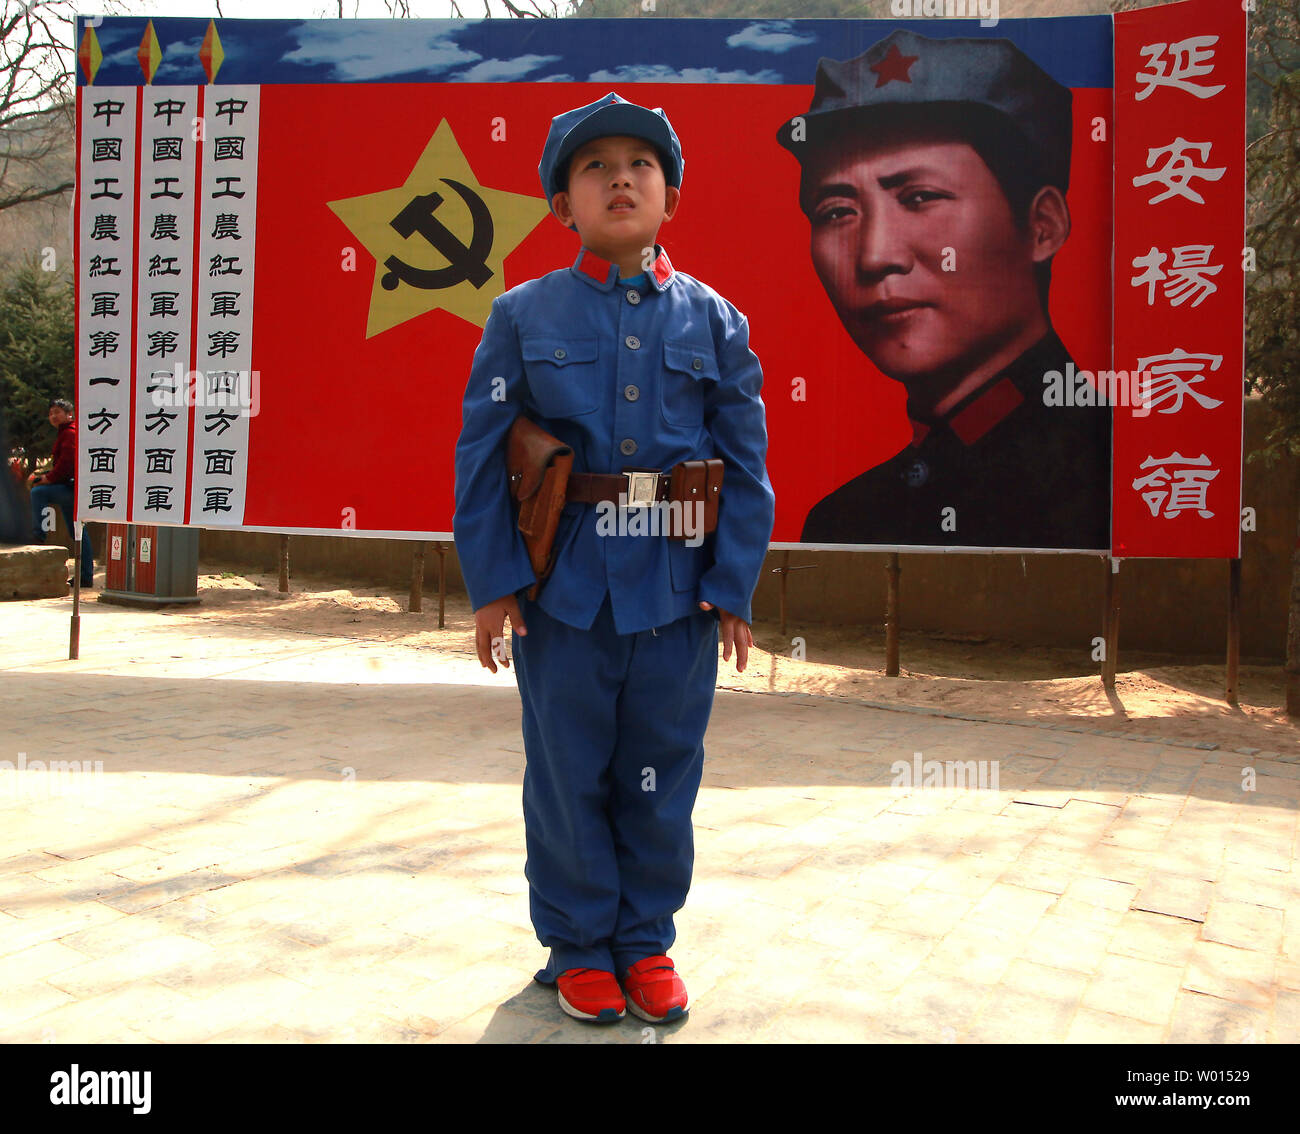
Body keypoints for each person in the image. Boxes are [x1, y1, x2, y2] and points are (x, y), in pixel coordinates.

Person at [453, 92, 775, 1024]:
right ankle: (579, 945)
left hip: (675, 588)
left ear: (669, 195)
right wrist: (494, 584)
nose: (620, 177)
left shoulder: (716, 322)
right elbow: (481, 454)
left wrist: (732, 586)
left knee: (664, 770)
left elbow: (748, 465)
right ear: (563, 206)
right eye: (595, 167)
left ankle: (646, 943)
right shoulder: (521, 314)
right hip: (565, 587)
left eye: (641, 163)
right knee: (567, 770)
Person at [779, 30, 1110, 551]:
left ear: (1042, 226)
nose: (874, 256)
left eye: (920, 196)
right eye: (837, 212)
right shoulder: (846, 520)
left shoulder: (1113, 479)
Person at [29, 398, 95, 587]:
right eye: (51, 413)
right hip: (72, 487)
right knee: (78, 532)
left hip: (72, 488)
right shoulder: (65, 433)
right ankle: (85, 576)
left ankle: (38, 534)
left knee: (38, 493)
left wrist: (47, 479)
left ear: (69, 414)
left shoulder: (70, 433)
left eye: (57, 411)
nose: (53, 416)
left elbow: (67, 464)